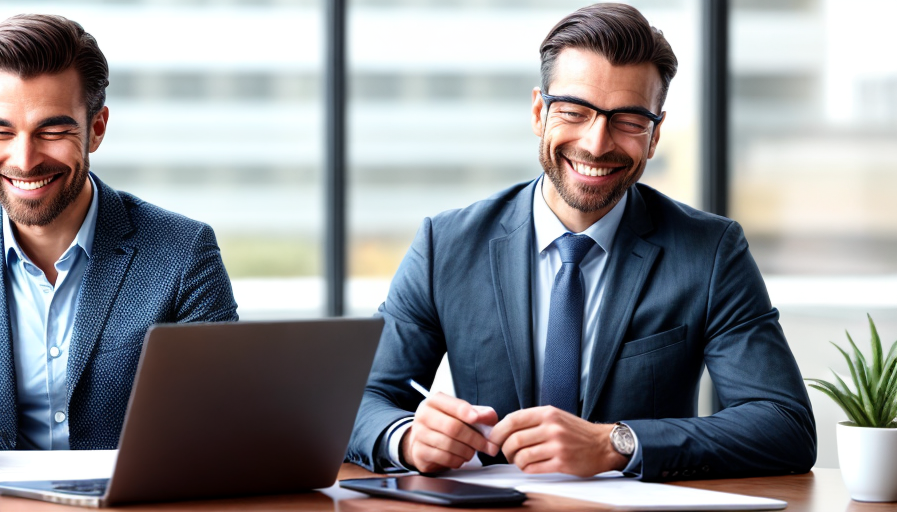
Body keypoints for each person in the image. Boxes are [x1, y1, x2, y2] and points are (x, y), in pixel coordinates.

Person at [346, 3, 816, 481]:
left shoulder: (711, 252)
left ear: (654, 135)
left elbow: (784, 423)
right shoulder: (445, 245)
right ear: (539, 112)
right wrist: (407, 437)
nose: (596, 143)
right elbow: (359, 399)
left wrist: (616, 442)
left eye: (629, 120)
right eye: (574, 111)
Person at [0, 14, 237, 464]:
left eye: (52, 131)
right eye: (0, 130)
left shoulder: (183, 253)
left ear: (96, 128)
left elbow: (231, 415)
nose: (25, 160)